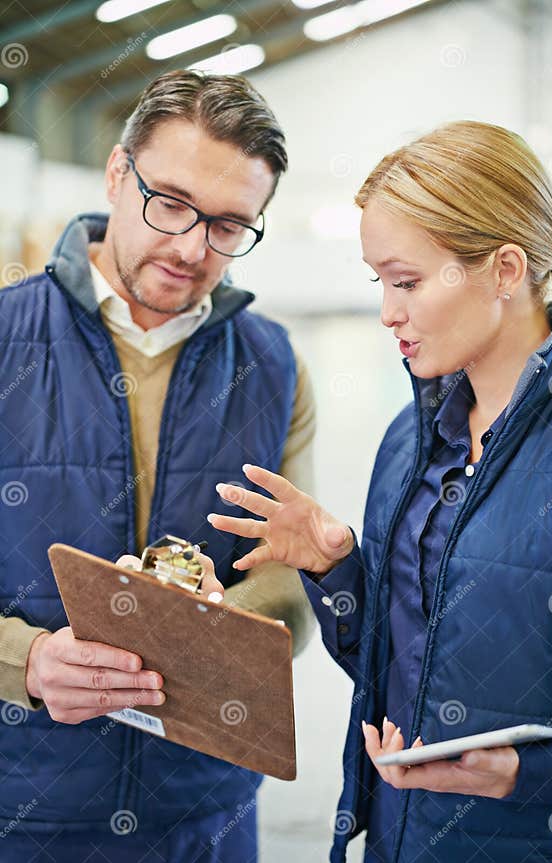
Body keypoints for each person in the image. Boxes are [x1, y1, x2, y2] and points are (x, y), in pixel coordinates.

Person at [209, 120, 552, 862]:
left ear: (506, 270)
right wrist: (337, 569)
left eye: (406, 281)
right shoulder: (413, 441)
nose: (387, 311)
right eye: (379, 281)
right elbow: (404, 664)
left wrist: (533, 775)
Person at [0, 69, 316, 862]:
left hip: (203, 817)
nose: (188, 247)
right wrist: (26, 660)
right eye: (168, 202)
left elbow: (289, 574)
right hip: (22, 812)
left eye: (228, 225)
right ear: (116, 171)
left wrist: (233, 622)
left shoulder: (274, 366)